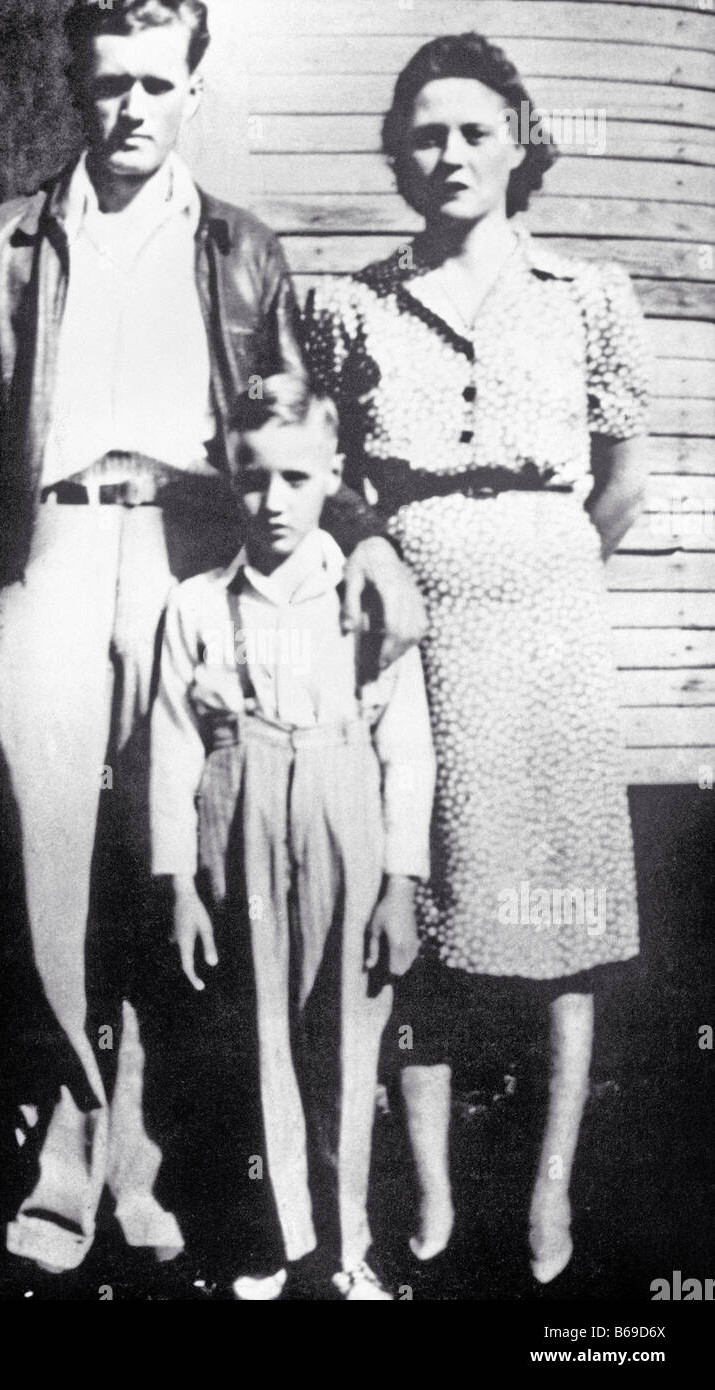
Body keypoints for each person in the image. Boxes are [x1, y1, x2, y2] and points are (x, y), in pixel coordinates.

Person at [0, 0, 426, 1279]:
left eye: (157, 83)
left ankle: (145, 1175)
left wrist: (362, 533)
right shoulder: (2, 245)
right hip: (42, 558)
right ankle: (59, 1184)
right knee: (47, 881)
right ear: (73, 88)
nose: (132, 109)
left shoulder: (240, 249)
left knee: (167, 875)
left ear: (194, 87)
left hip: (190, 552)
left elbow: (291, 424)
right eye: (109, 85)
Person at [302, 32, 650, 1286]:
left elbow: (618, 484)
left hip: (550, 630)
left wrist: (537, 558)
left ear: (518, 140)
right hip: (410, 631)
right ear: (398, 148)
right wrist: (379, 546)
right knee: (430, 904)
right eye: (424, 132)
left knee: (562, 913)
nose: (446, 154)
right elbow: (320, 474)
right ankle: (437, 1195)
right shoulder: (346, 304)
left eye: (471, 130)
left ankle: (550, 1190)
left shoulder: (586, 294)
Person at [149, 377, 437, 1299]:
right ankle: (273, 1239)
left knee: (348, 1039)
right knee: (257, 1033)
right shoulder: (196, 605)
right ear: (226, 478)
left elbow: (410, 750)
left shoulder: (367, 609)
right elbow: (170, 751)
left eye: (296, 478)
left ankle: (348, 1248)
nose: (272, 501)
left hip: (344, 814)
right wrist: (180, 887)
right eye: (250, 478)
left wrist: (400, 881)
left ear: (334, 478)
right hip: (240, 830)